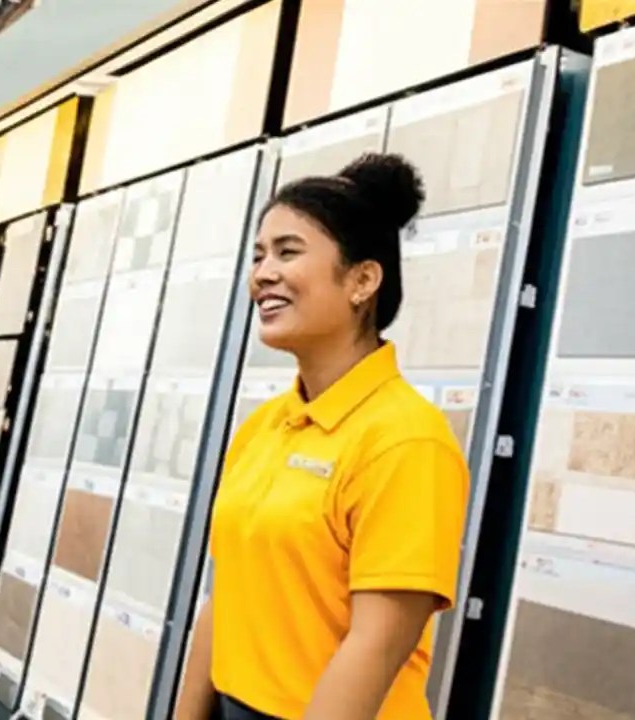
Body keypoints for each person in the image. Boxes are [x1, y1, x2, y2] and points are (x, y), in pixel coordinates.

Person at [176, 154, 470, 720]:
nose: (262, 273)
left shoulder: (406, 441)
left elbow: (376, 646)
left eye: (288, 252)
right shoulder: (265, 427)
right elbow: (226, 596)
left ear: (362, 279)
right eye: (258, 255)